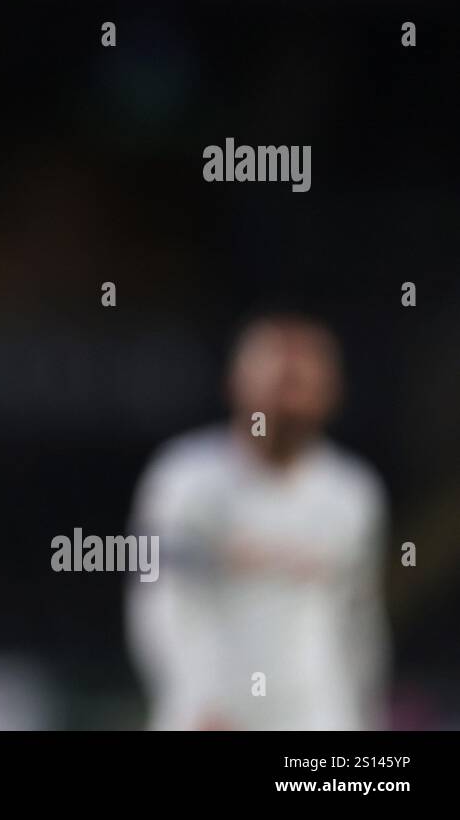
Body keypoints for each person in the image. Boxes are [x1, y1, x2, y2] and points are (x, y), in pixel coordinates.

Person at [126, 313, 390, 730]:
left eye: (302, 381)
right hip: (214, 711)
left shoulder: (352, 493)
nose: (289, 395)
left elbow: (359, 619)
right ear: (236, 383)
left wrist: (363, 711)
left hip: (314, 712)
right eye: (277, 380)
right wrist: (199, 699)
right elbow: (162, 605)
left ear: (332, 392)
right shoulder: (185, 479)